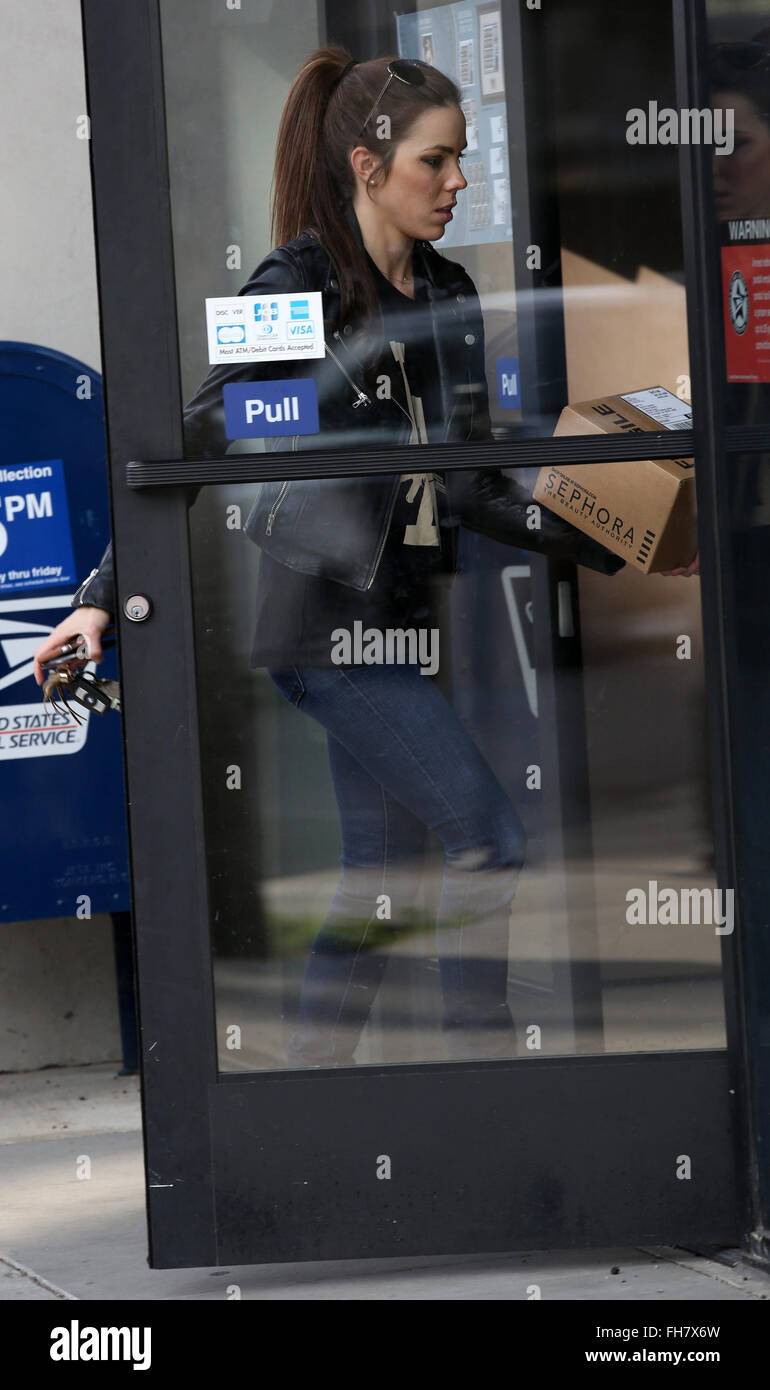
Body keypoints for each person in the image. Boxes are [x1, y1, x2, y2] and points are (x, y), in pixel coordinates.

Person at [33, 47, 694, 1067]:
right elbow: (207, 435)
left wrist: (620, 535)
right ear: (367, 165)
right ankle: (476, 1062)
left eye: (461, 159)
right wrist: (101, 599)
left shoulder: (445, 291)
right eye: (436, 161)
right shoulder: (300, 283)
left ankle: (309, 1085)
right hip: (318, 626)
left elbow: (473, 485)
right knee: (486, 842)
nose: (457, 182)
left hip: (395, 622)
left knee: (374, 872)